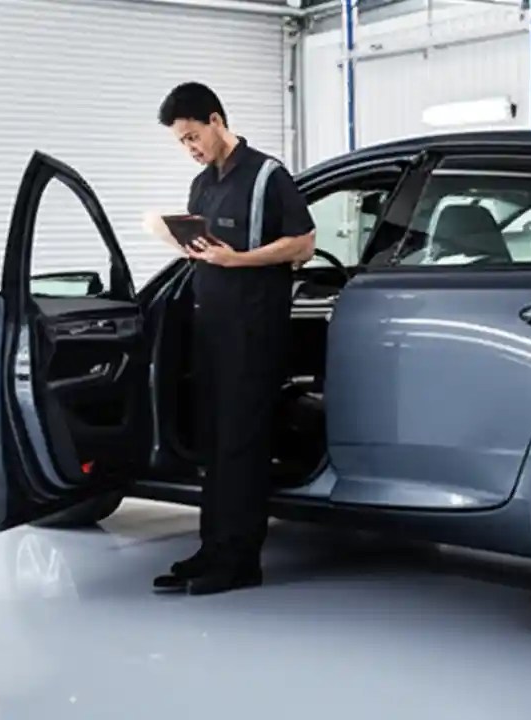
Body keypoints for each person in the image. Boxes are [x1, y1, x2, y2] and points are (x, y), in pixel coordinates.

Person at [150, 82, 316, 596]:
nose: (191, 148)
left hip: (254, 334)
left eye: (193, 136)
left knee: (243, 448)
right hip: (211, 333)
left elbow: (304, 245)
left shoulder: (268, 175)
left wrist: (237, 259)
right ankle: (211, 550)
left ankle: (241, 561)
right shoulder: (202, 186)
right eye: (182, 142)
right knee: (215, 448)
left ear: (217, 120)